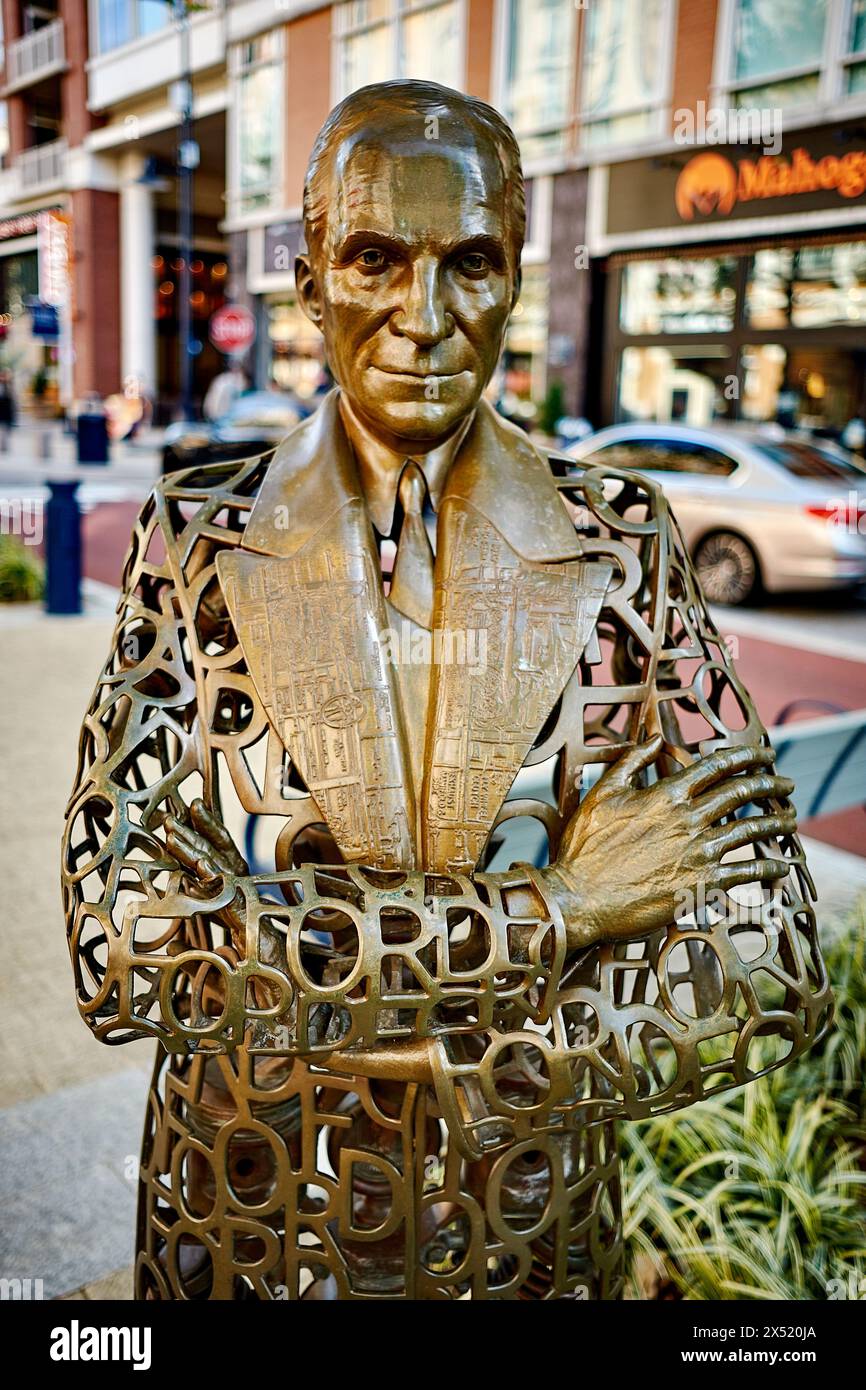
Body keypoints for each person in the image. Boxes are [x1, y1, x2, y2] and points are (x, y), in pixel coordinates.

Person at [61, 80, 831, 1301]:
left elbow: (765, 955)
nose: (422, 315)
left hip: (521, 1236)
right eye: (373, 259)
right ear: (310, 282)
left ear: (516, 276)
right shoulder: (196, 539)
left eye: (467, 262)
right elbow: (122, 936)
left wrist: (412, 1041)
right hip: (252, 1218)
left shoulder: (621, 541)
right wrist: (556, 916)